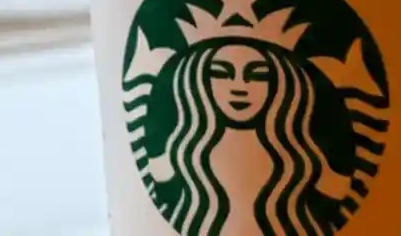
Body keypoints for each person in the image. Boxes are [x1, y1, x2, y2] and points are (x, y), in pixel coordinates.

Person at [143, 40, 352, 236]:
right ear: (200, 83)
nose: (239, 87)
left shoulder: (301, 154)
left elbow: (338, 191)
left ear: (279, 83)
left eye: (258, 75)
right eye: (221, 73)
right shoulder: (182, 150)